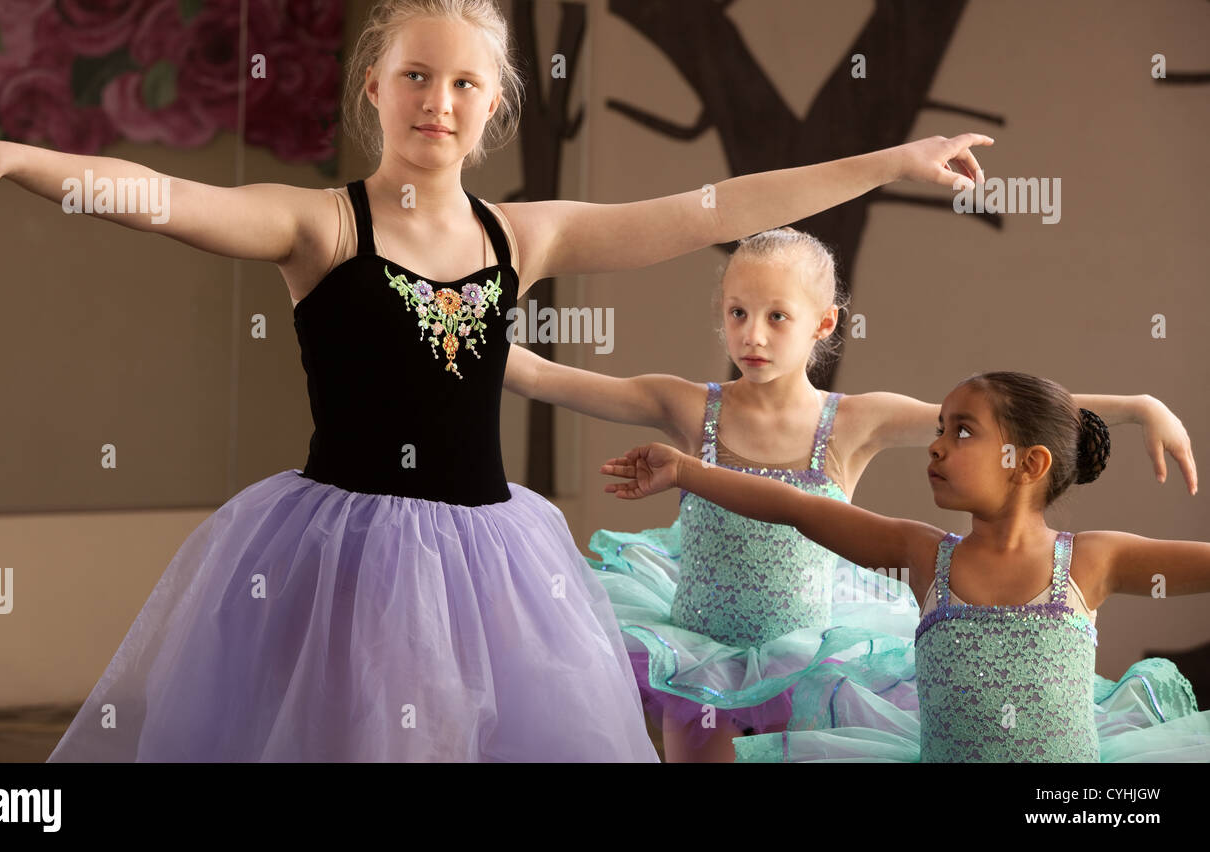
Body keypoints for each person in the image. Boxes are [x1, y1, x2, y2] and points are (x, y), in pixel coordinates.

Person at [0, 0, 996, 761]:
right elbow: (166, 198)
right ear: (372, 89)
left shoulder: (523, 236)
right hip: (342, 554)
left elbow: (712, 207)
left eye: (464, 84)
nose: (438, 98)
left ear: (492, 108)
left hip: (494, 557)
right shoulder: (319, 224)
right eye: (415, 75)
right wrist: (23, 159)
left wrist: (888, 162)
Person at [505, 227, 1198, 761]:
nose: (752, 333)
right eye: (737, 312)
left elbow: (1012, 416)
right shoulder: (689, 407)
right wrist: (433, 319)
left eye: (777, 316)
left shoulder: (854, 420)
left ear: (824, 325)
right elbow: (540, 378)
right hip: (701, 649)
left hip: (813, 655)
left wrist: (1136, 406)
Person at [600, 370, 1210, 761]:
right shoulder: (924, 557)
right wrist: (686, 471)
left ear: (1028, 464)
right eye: (939, 428)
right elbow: (791, 507)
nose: (937, 444)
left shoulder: (1092, 561)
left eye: (963, 431)